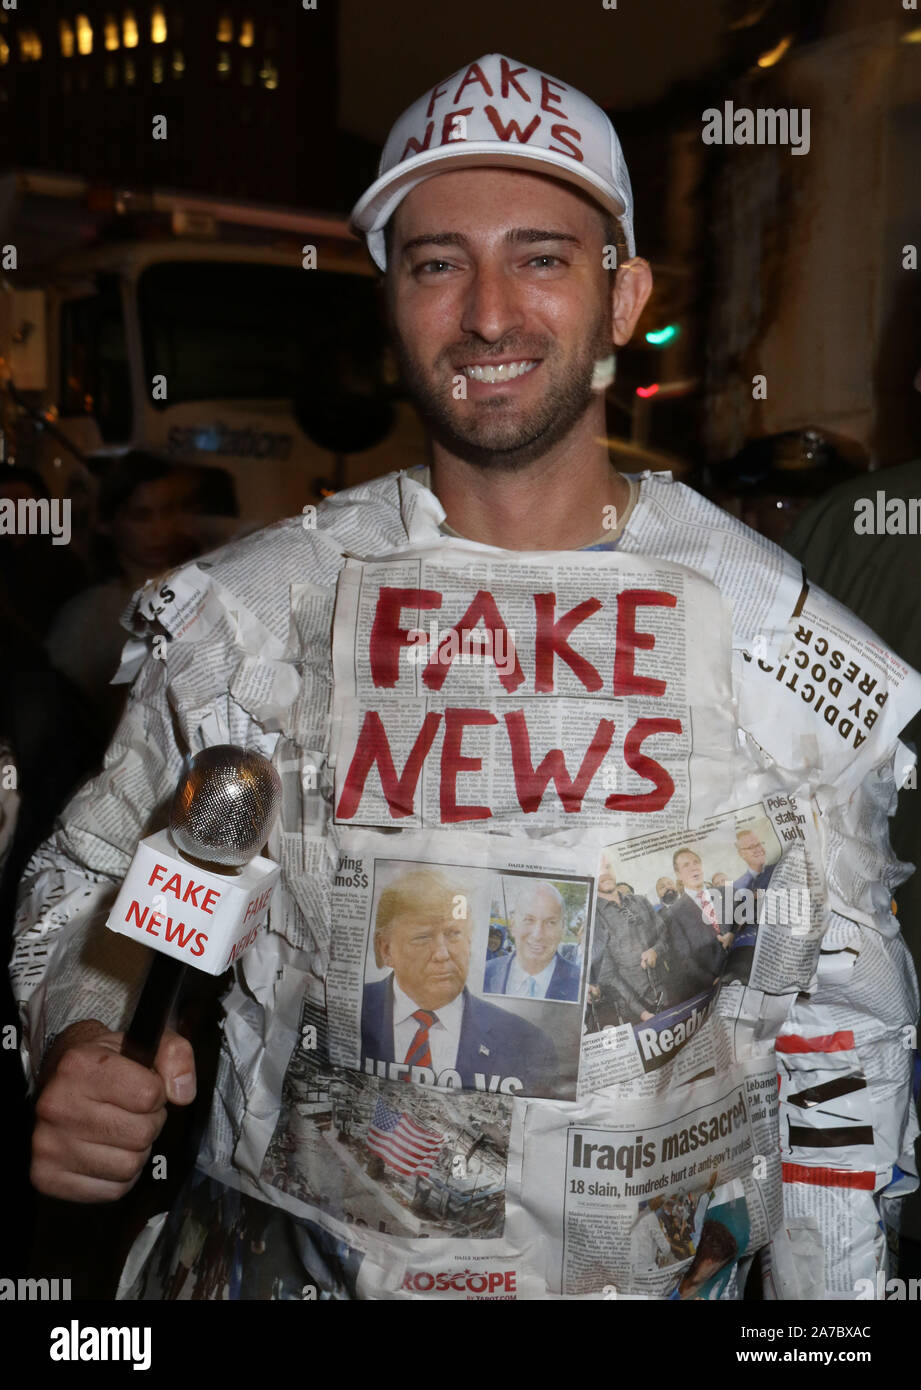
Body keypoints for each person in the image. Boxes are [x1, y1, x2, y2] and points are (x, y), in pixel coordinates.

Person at [12, 52, 918, 1302]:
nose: (489, 313)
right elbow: (90, 882)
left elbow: (841, 1060)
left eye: (542, 256)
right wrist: (73, 1035)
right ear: (393, 299)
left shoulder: (774, 643)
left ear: (625, 293)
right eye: (439, 263)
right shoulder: (259, 617)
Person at [361, 867, 557, 1089]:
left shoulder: (529, 1046)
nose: (442, 954)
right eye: (422, 937)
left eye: (454, 934)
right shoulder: (351, 1009)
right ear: (386, 949)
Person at [588, 873, 667, 1025]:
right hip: (638, 1006)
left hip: (667, 990)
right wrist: (642, 1013)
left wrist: (655, 950)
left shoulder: (641, 902)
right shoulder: (595, 921)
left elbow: (664, 934)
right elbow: (610, 976)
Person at [484, 879, 580, 1000]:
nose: (538, 934)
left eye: (550, 922)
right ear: (513, 925)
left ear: (562, 928)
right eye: (529, 920)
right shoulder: (485, 974)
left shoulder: (581, 983)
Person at [664, 849, 733, 1001]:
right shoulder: (674, 913)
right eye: (686, 865)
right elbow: (684, 958)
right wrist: (710, 981)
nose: (693, 867)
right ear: (678, 875)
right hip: (715, 986)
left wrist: (735, 935)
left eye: (696, 862)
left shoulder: (727, 893)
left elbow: (746, 924)